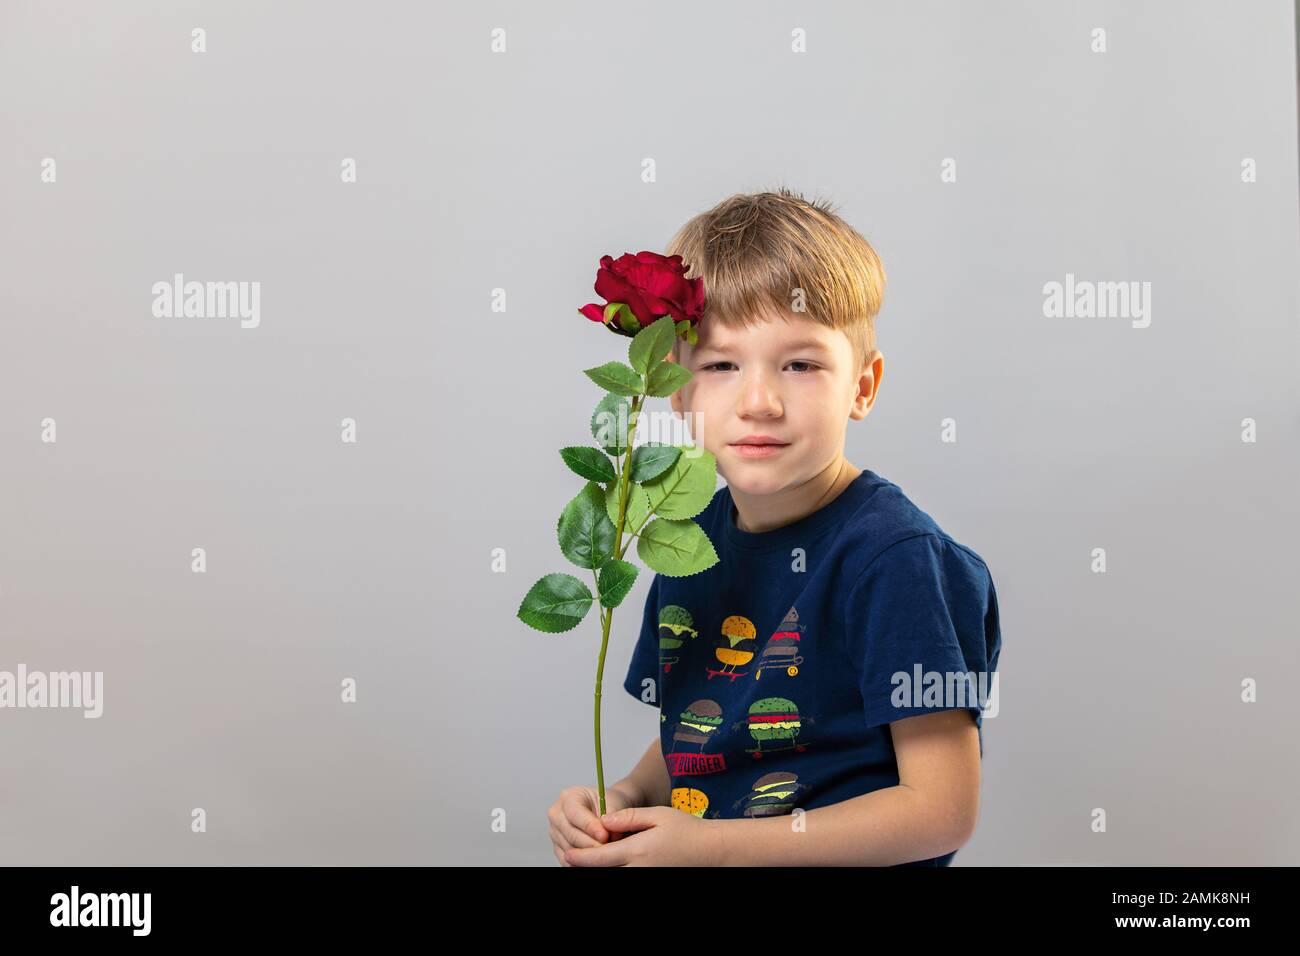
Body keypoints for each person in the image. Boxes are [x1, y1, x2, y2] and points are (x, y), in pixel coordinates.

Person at [547, 188, 1002, 866]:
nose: (759, 401)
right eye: (723, 365)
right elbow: (706, 729)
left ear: (863, 386)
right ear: (678, 389)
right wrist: (627, 796)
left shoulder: (895, 561)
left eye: (801, 364)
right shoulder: (685, 534)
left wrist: (717, 848)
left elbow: (940, 812)